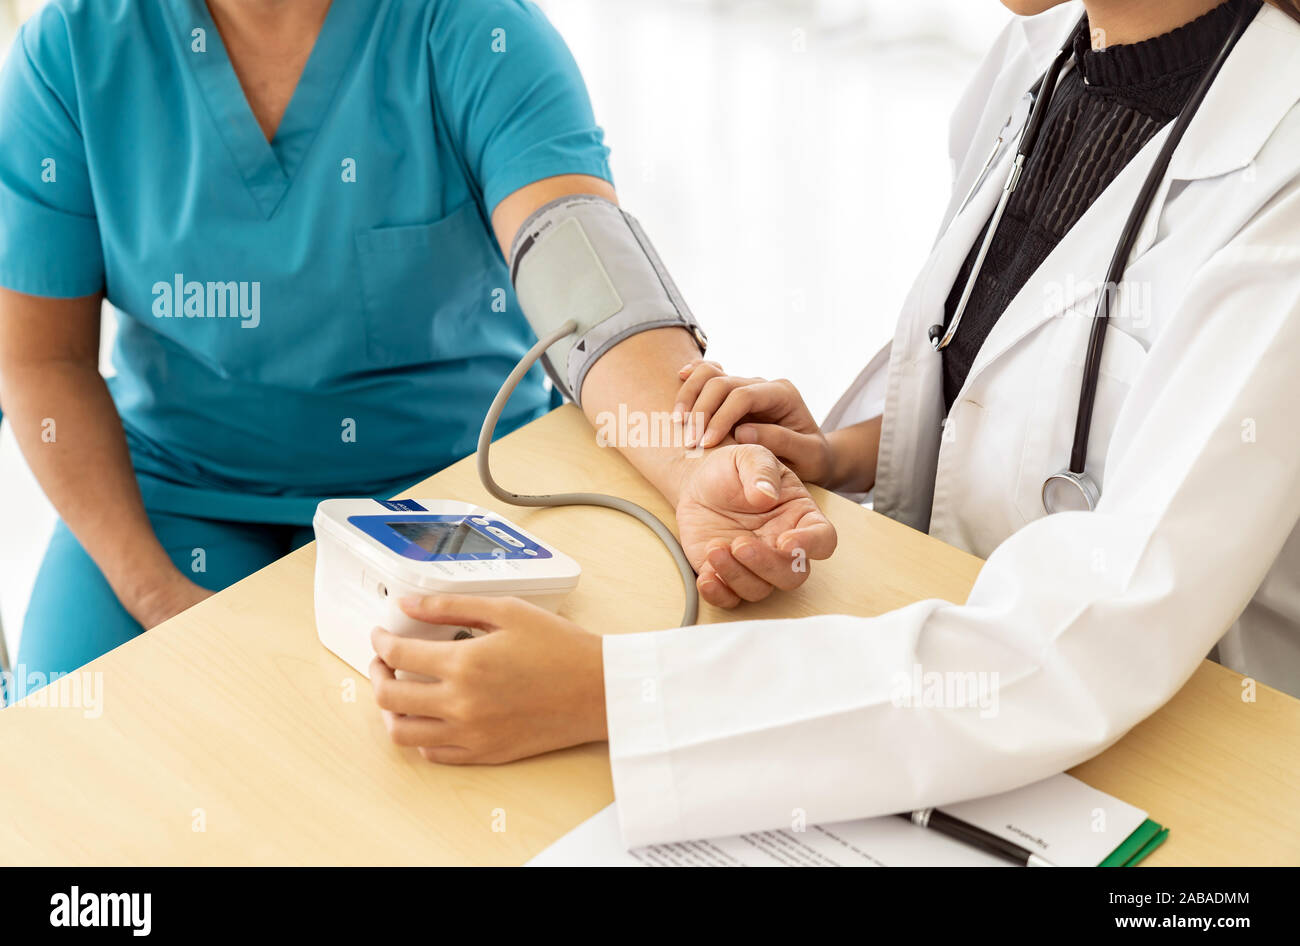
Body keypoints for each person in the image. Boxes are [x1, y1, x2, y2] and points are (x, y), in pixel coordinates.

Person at [364, 0, 1300, 847]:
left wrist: (613, 694)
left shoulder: (1280, 181)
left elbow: (1087, 637)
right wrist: (848, 453)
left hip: (1197, 753)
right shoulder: (1040, 54)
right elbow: (1014, 377)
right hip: (959, 666)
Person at [0, 0, 834, 703]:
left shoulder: (474, 31)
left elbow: (583, 275)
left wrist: (691, 465)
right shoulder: (75, 48)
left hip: (448, 496)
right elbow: (41, 360)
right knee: (62, 772)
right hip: (172, 491)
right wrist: (155, 592)